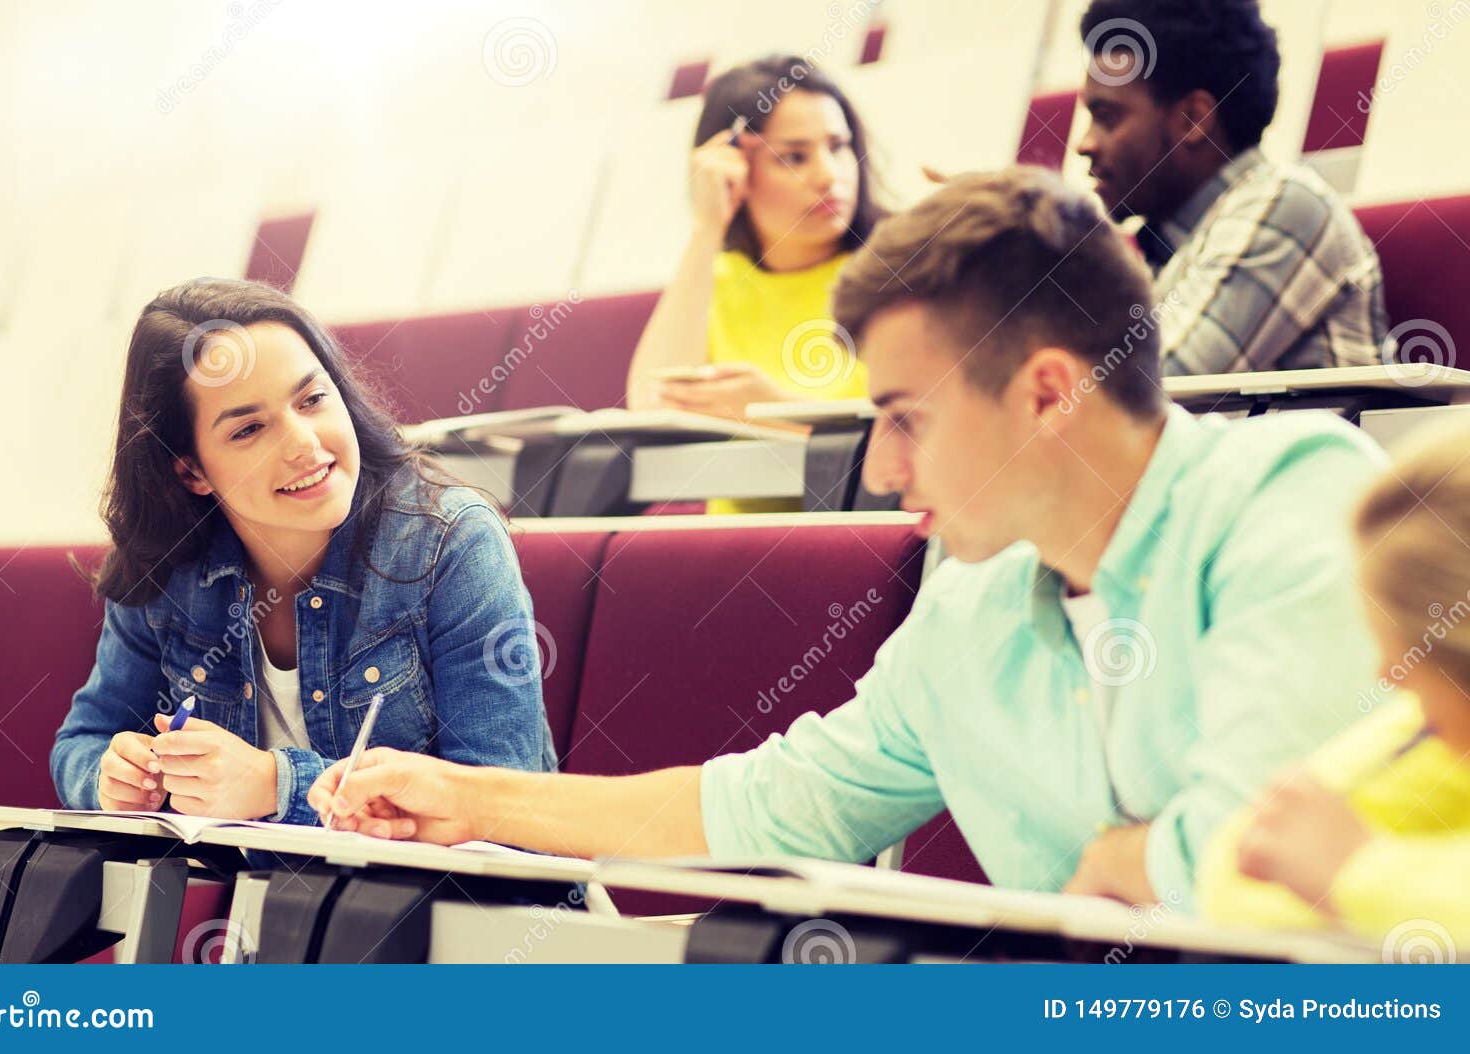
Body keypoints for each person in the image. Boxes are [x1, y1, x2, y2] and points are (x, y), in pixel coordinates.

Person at [310, 168, 1385, 911]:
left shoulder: (1301, 504)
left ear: (1050, 394)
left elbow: (1264, 870)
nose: (879, 468)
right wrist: (467, 800)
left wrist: (1135, 857)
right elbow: (775, 804)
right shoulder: (971, 602)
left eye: (907, 416)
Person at [51, 278, 555, 826]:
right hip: (253, 908)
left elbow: (506, 807)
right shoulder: (167, 564)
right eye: (249, 429)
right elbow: (83, 740)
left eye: (312, 399)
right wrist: (111, 778)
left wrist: (276, 785)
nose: (305, 444)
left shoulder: (452, 543)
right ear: (191, 470)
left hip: (446, 909)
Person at [1198, 424, 1470, 942]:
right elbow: (1237, 872)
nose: (1387, 676)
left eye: (1409, 654)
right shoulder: (1438, 736)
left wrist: (1353, 872)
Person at [625, 55, 886, 512]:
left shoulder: (905, 266)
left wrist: (768, 411)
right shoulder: (717, 277)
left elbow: (921, 437)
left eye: (839, 146)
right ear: (738, 169)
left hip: (873, 546)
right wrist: (708, 226)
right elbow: (651, 407)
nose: (830, 174)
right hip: (739, 552)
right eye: (795, 156)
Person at [1076, 0, 1388, 375]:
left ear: (1194, 119)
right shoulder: (1167, 245)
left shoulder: (1284, 205)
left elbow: (1142, 396)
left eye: (1106, 118)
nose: (1085, 143)